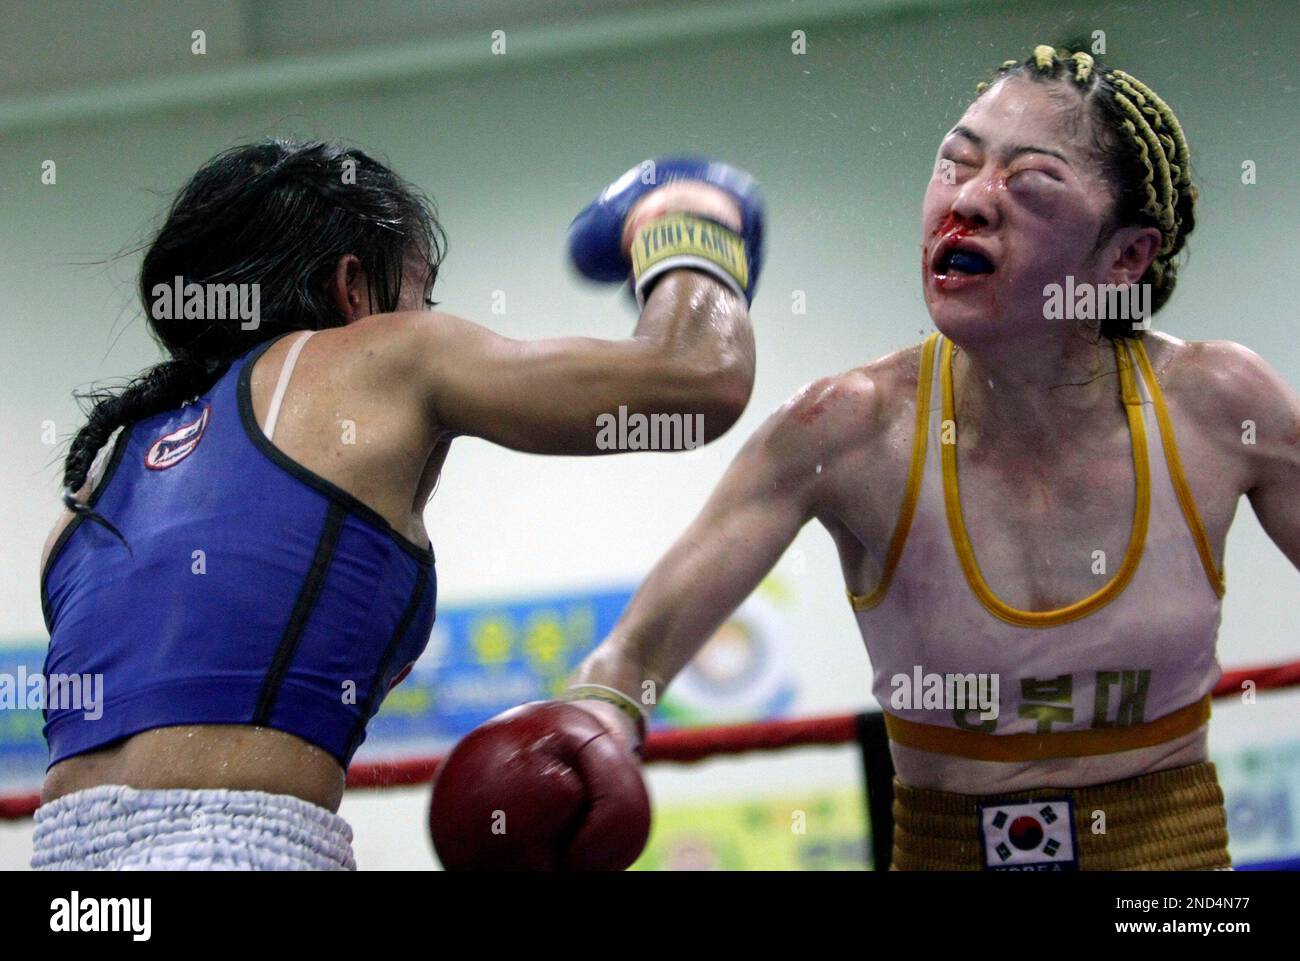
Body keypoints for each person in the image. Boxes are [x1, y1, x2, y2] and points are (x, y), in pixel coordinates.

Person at [430, 46, 1300, 871]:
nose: (971, 200)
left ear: (1126, 257)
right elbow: (630, 658)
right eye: (955, 163)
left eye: (1029, 179)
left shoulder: (1220, 405)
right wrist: (588, 731)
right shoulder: (844, 429)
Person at [35, 142, 765, 869]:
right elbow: (697, 376)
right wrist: (688, 224)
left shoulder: (94, 491)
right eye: (423, 292)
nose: (426, 317)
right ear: (354, 287)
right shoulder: (378, 357)